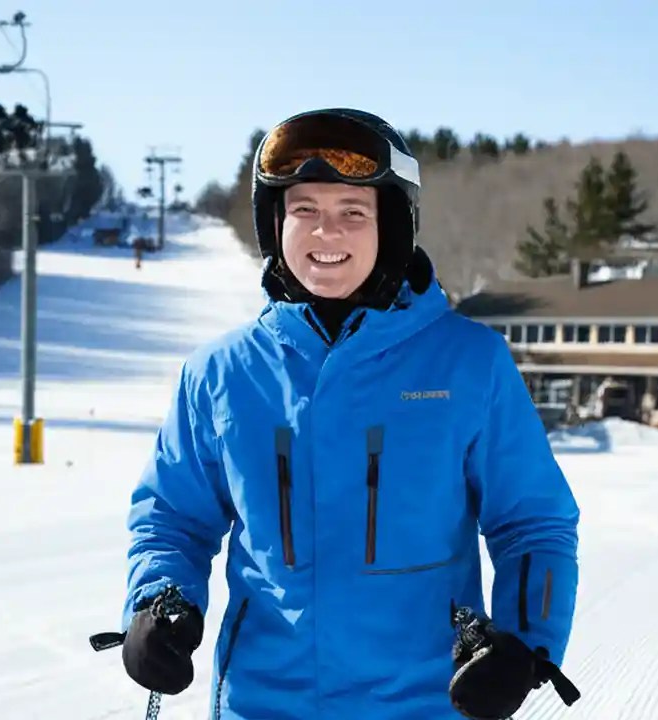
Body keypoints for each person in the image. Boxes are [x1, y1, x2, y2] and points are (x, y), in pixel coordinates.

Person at [115, 108, 582, 719]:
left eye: (352, 213)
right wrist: (159, 600)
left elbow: (533, 524)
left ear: (393, 225)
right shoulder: (222, 373)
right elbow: (172, 518)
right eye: (304, 209)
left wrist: (524, 643)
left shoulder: (469, 363)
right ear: (274, 223)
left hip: (425, 705)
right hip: (261, 704)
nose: (325, 232)